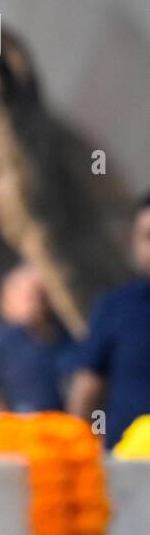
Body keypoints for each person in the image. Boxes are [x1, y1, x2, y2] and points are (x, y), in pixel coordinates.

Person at [67, 192, 150, 448]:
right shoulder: (115, 307)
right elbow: (87, 388)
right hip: (126, 466)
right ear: (133, 243)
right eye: (148, 237)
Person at [0, 263, 72, 412]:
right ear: (4, 302)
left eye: (39, 294)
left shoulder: (64, 338)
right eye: (24, 295)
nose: (34, 300)